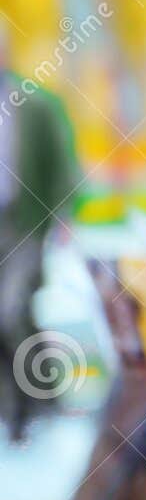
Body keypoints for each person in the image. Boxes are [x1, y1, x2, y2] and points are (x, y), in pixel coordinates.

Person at [0, 28, 82, 441]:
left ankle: (37, 404)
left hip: (24, 225)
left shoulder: (34, 105)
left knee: (12, 310)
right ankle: (22, 407)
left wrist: (64, 216)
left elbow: (63, 165)